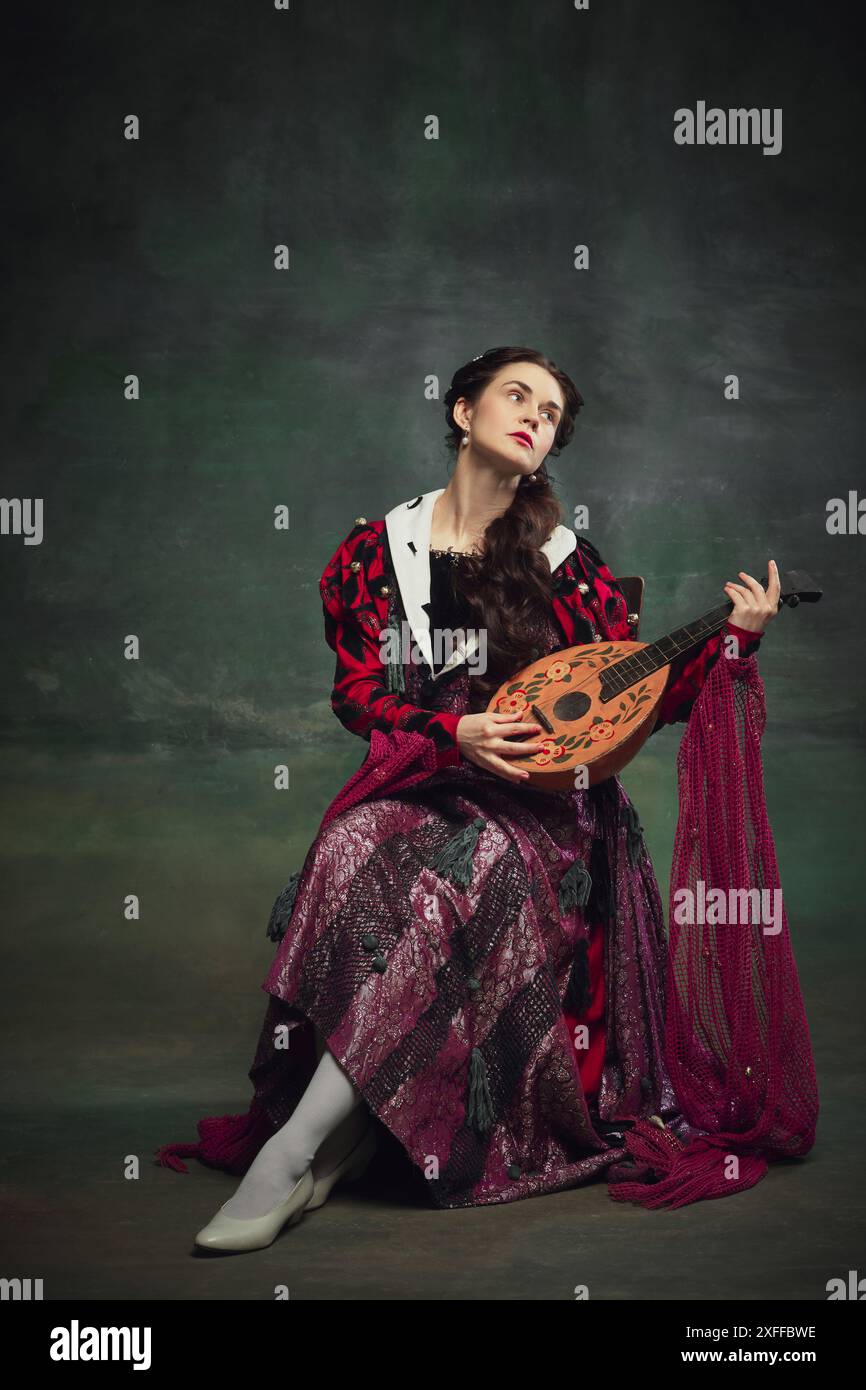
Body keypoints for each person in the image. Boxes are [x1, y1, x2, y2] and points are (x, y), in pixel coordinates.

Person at [157, 346, 782, 1252]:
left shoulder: (564, 560)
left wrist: (733, 645)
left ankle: (295, 1154)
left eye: (552, 413)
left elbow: (633, 697)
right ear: (461, 412)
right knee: (347, 846)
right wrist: (456, 733)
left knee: (455, 877)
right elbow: (358, 693)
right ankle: (359, 1116)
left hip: (544, 809)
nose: (536, 417)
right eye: (516, 396)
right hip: (429, 776)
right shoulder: (378, 552)